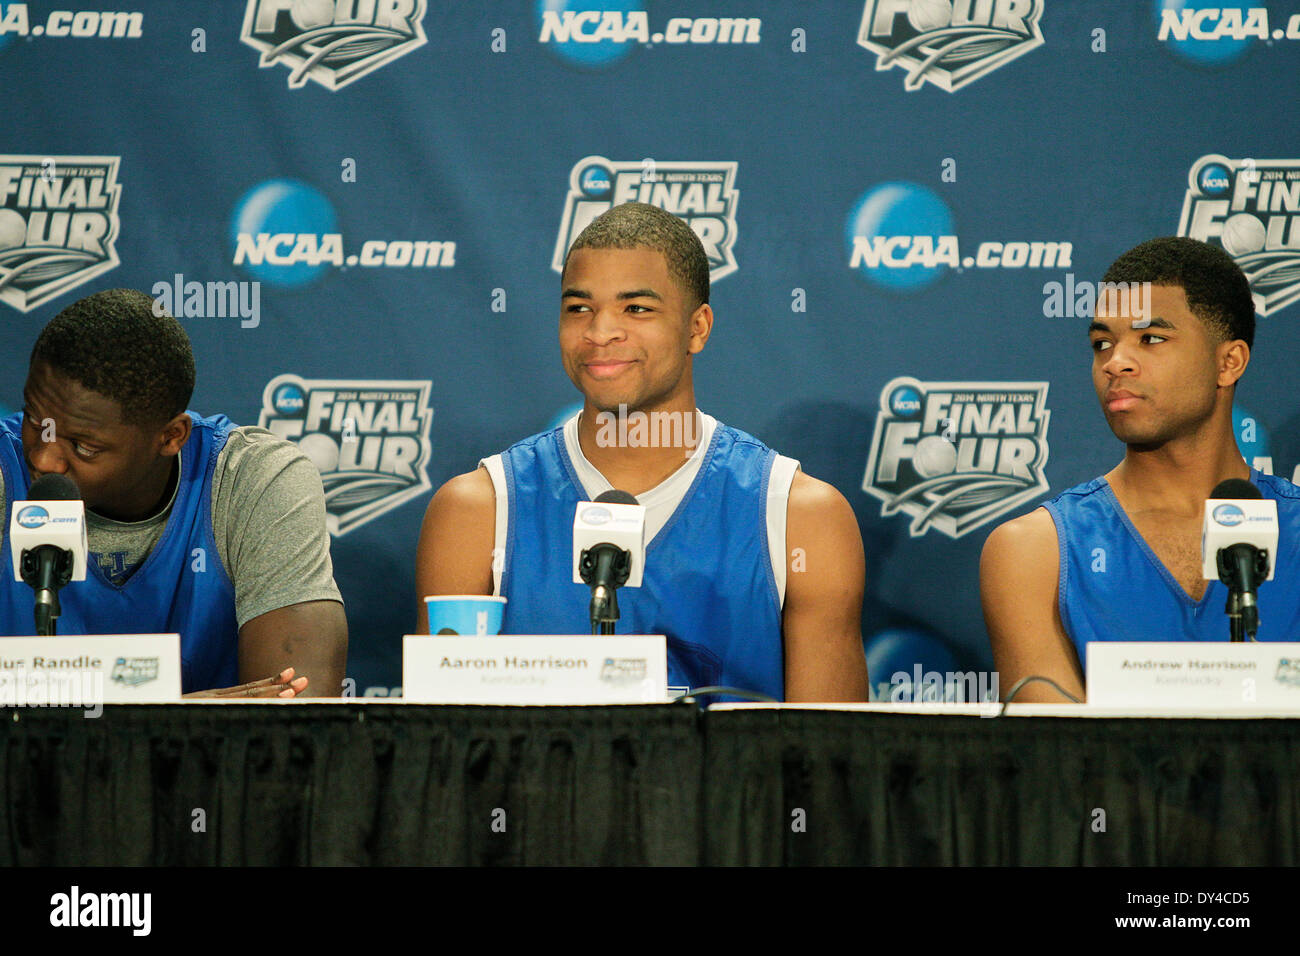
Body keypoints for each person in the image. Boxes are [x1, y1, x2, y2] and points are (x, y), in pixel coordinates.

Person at [416, 203, 869, 701]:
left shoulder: (801, 517)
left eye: (636, 308)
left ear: (697, 328)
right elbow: (443, 753)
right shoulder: (477, 511)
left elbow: (829, 764)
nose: (599, 331)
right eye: (578, 307)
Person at [981, 237, 1300, 703]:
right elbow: (1059, 766)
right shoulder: (1034, 553)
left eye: (1151, 339)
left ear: (1228, 362)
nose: (1115, 363)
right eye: (1101, 343)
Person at [0, 288, 348, 697]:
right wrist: (176, 715)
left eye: (84, 447)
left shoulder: (252, 479)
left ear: (170, 436)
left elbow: (298, 712)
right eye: (35, 422)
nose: (43, 459)